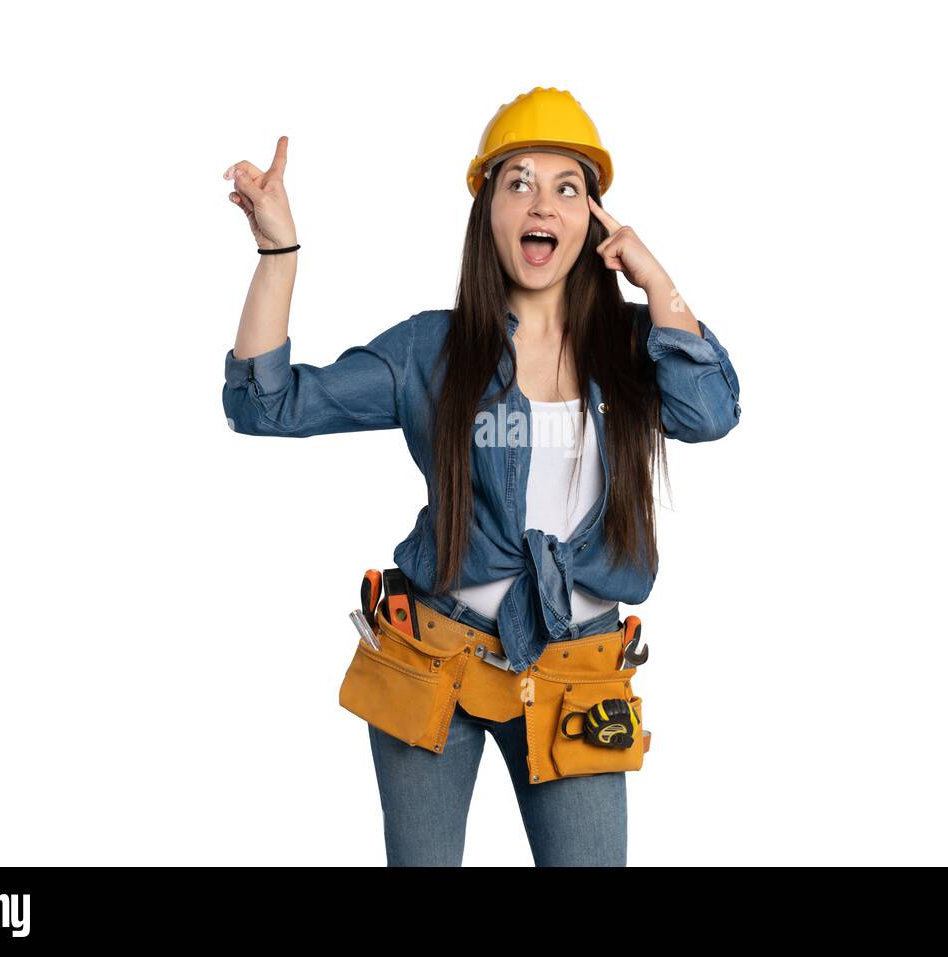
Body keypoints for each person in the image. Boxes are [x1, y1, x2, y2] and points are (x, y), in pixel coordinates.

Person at [220, 87, 741, 866]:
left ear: (593, 220)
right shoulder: (431, 350)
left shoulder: (639, 345)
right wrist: (277, 254)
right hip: (434, 661)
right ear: (489, 212)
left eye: (569, 187)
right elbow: (266, 404)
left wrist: (652, 275)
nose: (543, 203)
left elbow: (712, 413)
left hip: (579, 672)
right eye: (519, 181)